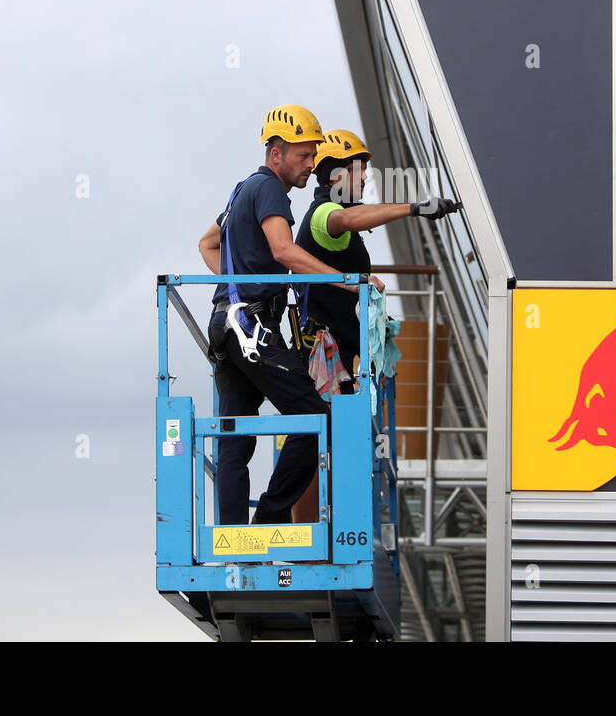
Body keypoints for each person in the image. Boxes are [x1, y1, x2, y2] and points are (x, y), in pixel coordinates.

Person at [197, 105, 382, 526]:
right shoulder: (270, 190)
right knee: (317, 416)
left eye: (314, 154)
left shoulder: (241, 189)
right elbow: (283, 250)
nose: (311, 164)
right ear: (276, 153)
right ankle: (266, 523)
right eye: (304, 155)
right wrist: (349, 281)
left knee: (234, 442)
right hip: (251, 328)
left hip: (225, 323)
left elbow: (208, 243)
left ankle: (233, 543)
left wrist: (234, 283)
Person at [287, 129, 461, 522]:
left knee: (332, 441)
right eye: (357, 169)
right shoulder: (323, 216)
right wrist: (413, 208)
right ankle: (306, 536)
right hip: (325, 355)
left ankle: (317, 532)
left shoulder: (335, 226)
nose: (364, 177)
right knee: (323, 442)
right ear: (334, 175)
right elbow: (347, 217)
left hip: (338, 356)